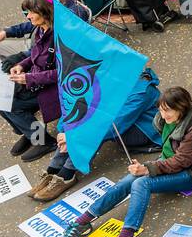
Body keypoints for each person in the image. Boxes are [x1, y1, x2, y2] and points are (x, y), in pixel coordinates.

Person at [53, 87, 192, 237]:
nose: (163, 114)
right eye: (161, 109)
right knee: (130, 179)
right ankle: (83, 222)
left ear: (182, 108)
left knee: (141, 182)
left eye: (168, 110)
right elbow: (170, 154)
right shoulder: (165, 118)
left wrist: (148, 168)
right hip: (169, 161)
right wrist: (147, 167)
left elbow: (182, 161)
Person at [31, 69, 163, 202]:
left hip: (144, 132)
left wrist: (73, 138)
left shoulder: (142, 91)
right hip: (124, 124)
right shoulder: (113, 79)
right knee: (84, 117)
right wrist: (63, 131)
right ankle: (53, 169)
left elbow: (113, 126)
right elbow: (78, 104)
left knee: (96, 130)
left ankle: (67, 174)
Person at [0, 0, 62, 162]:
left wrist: (29, 78)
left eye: (31, 13)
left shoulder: (59, 37)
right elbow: (35, 55)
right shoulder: (39, 29)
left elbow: (62, 72)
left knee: (11, 105)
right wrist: (22, 65)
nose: (28, 17)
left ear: (44, 12)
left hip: (55, 89)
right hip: (37, 80)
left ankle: (44, 141)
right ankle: (29, 131)